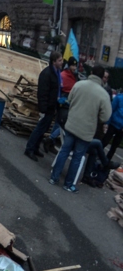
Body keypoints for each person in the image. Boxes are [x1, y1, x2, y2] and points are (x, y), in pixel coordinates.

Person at [50, 65, 113, 193]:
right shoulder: (103, 94)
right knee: (77, 157)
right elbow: (105, 116)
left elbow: (70, 100)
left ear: (91, 72)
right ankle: (68, 184)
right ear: (102, 77)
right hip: (86, 130)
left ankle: (54, 177)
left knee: (64, 151)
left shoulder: (79, 84)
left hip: (72, 124)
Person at [25, 52, 62, 162]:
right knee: (39, 128)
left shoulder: (56, 73)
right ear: (54, 61)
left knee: (44, 129)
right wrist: (43, 108)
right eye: (59, 60)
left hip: (51, 106)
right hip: (47, 107)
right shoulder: (47, 74)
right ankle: (29, 149)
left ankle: (35, 148)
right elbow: (43, 92)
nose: (62, 62)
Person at [102, 90, 123, 162]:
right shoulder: (119, 98)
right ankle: (97, 156)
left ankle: (107, 161)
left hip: (121, 128)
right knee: (105, 141)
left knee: (114, 146)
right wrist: (107, 123)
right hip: (113, 124)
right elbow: (111, 109)